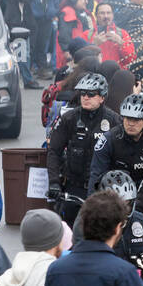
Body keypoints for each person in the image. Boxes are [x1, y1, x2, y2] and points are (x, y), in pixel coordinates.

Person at [45, 72, 121, 225]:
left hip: (103, 189)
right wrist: (54, 182)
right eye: (83, 93)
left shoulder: (114, 120)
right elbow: (54, 151)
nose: (86, 97)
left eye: (91, 94)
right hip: (74, 186)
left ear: (102, 97)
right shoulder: (69, 118)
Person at [87, 92, 143, 191]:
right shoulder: (108, 139)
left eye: (136, 119)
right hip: (113, 193)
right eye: (127, 118)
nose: (131, 123)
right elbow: (96, 175)